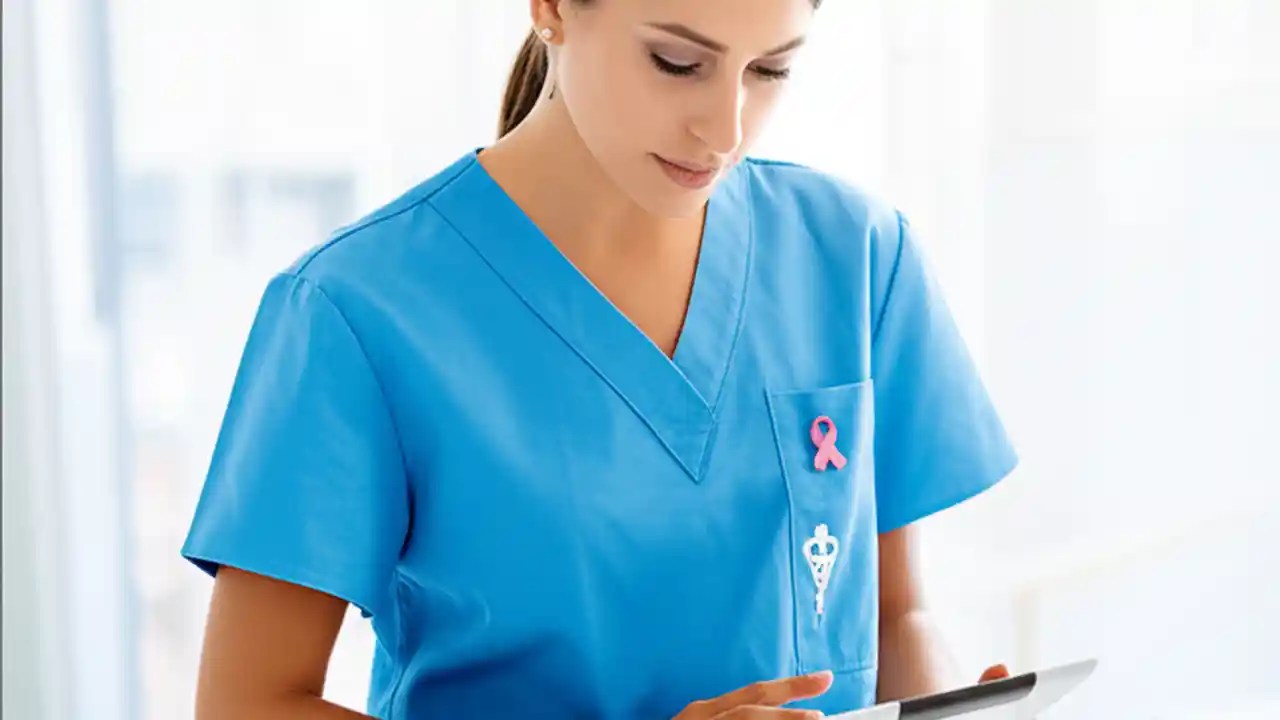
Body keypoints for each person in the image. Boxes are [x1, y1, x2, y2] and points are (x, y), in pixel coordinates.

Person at [182, 1, 1019, 717]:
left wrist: (941, 702)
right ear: (549, 5)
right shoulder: (355, 310)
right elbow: (248, 702)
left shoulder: (856, 255)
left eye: (768, 71)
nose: (723, 129)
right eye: (677, 61)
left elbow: (896, 613)